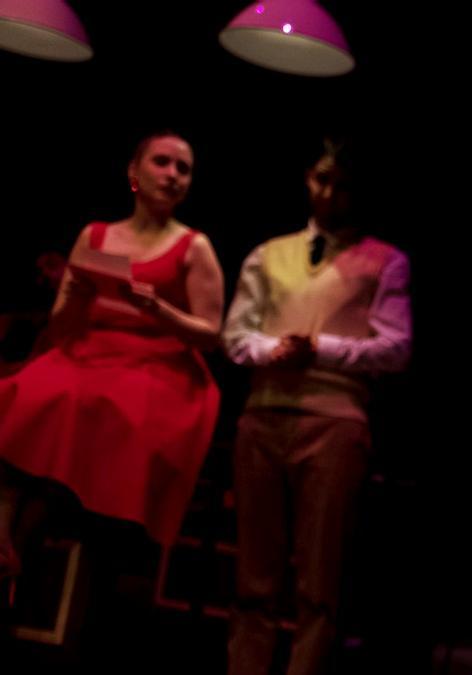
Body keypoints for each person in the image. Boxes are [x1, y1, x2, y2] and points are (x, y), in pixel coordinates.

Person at [223, 137, 412, 675]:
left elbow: (396, 347)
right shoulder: (268, 253)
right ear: (307, 179)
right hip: (262, 416)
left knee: (319, 582)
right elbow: (236, 335)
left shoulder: (385, 260)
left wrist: (320, 348)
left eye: (342, 184)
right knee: (253, 577)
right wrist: (273, 349)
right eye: (320, 180)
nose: (328, 194)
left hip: (333, 423)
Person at [0, 131, 223, 583]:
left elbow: (210, 334)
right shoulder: (96, 235)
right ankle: (6, 541)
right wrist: (77, 299)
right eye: (162, 162)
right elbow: (60, 326)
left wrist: (157, 309)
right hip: (87, 352)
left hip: (157, 363)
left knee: (111, 408)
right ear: (134, 172)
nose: (173, 175)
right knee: (26, 394)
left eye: (183, 169)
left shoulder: (194, 247)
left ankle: (38, 547)